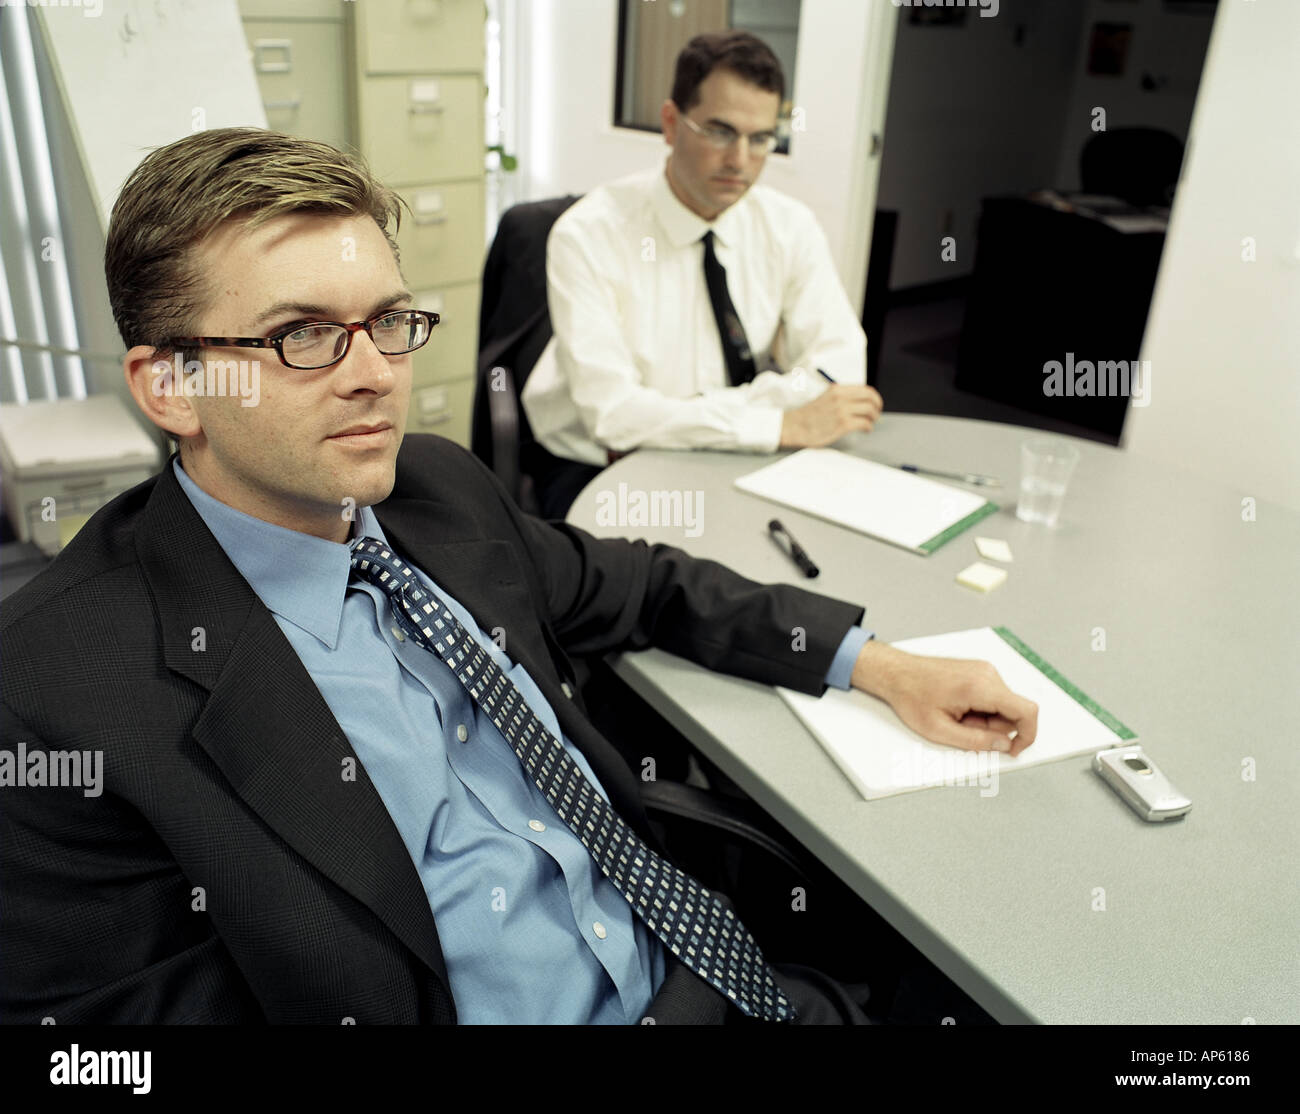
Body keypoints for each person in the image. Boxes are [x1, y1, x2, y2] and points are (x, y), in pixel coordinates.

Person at [0, 128, 1036, 1026]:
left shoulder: (436, 490)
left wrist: (880, 663)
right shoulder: (54, 695)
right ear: (173, 384)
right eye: (301, 335)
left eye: (390, 321)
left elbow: (643, 582)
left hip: (701, 964)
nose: (374, 373)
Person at [521, 30, 886, 518]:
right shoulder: (588, 234)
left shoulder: (789, 226)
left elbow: (840, 374)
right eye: (719, 131)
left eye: (761, 139)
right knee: (665, 584)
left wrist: (726, 418)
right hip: (599, 461)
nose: (740, 160)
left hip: (733, 450)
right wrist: (778, 420)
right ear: (671, 124)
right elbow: (615, 416)